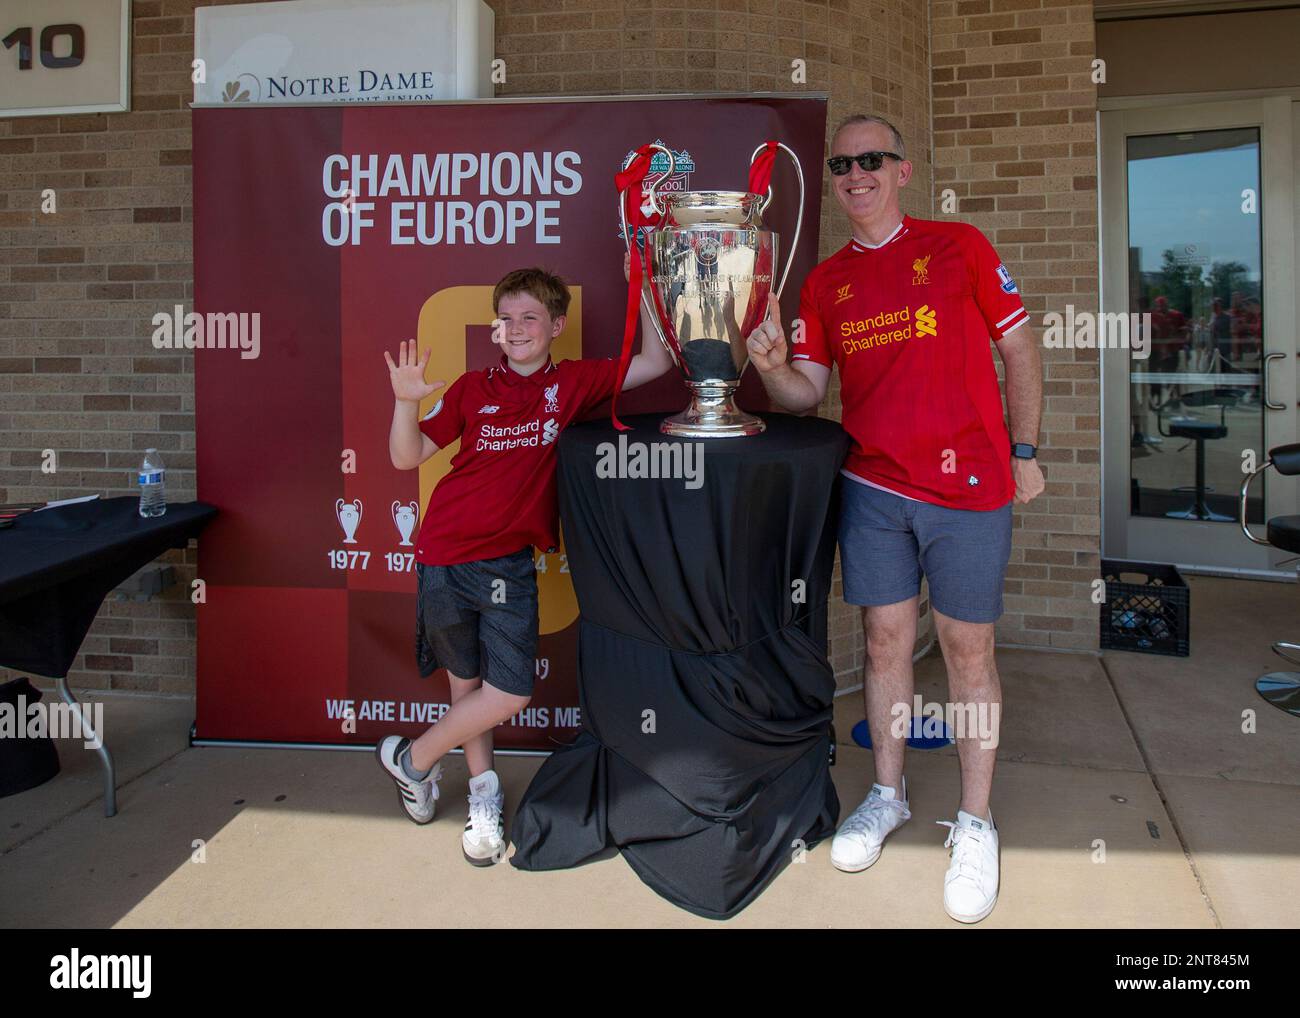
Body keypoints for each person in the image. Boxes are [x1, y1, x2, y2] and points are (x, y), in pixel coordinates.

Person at [745, 114, 1045, 923]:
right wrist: (774, 371)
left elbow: (1020, 348)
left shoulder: (962, 247)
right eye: (841, 164)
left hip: (971, 487)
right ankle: (888, 793)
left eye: (871, 159)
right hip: (875, 487)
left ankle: (976, 821)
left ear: (903, 170)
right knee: (883, 640)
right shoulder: (824, 282)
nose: (855, 174)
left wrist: (1025, 449)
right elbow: (808, 395)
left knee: (967, 649)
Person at [377, 259, 670, 865]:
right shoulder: (470, 389)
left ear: (556, 324)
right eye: (505, 318)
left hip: (506, 565)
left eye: (529, 317)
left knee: (507, 693)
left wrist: (642, 282)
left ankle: (413, 761)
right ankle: (482, 794)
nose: (515, 328)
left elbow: (656, 363)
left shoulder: (572, 385)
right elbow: (407, 457)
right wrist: (405, 403)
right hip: (442, 552)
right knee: (467, 688)